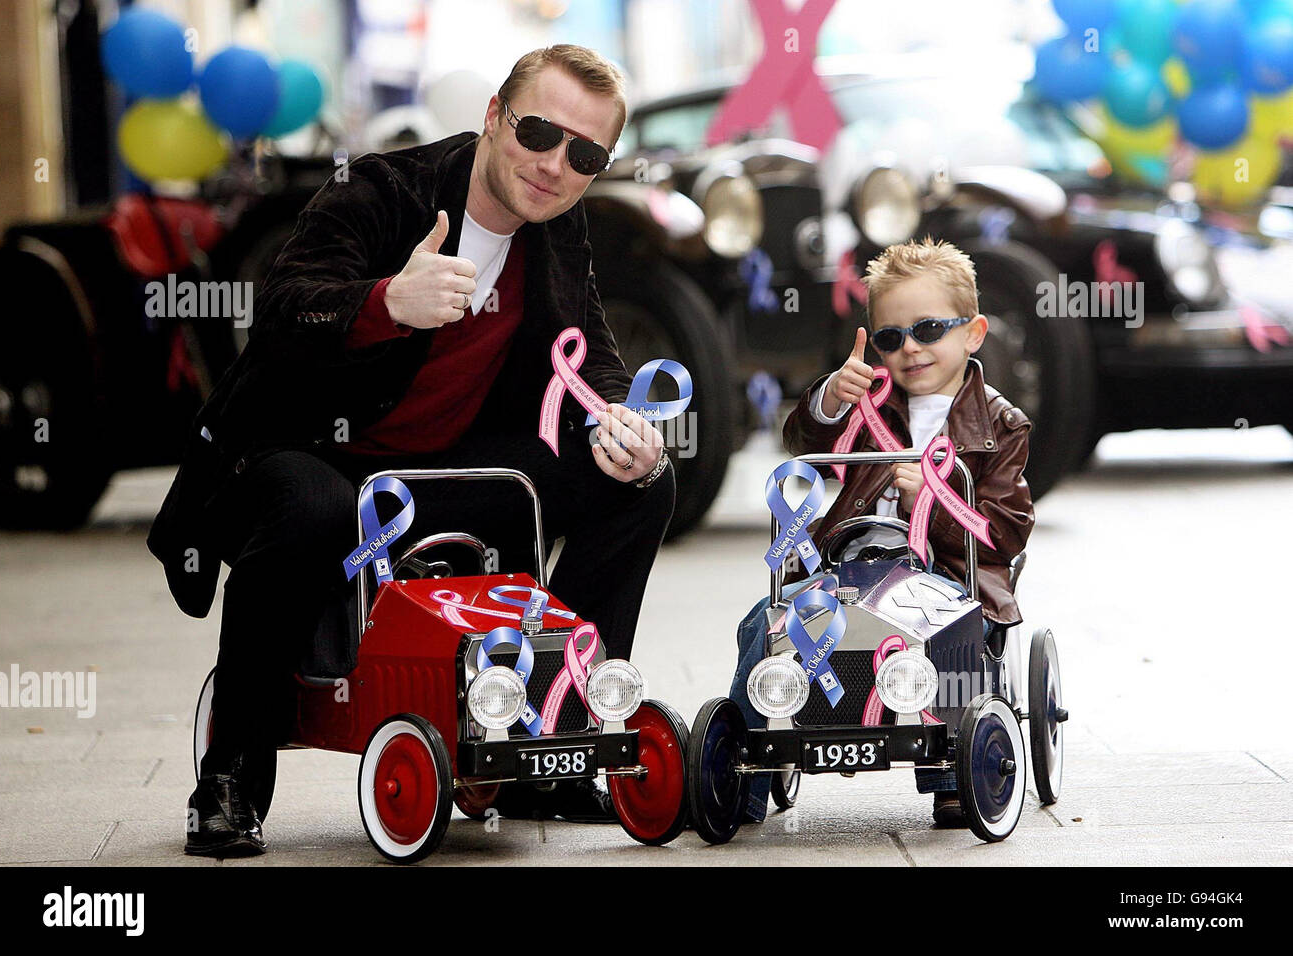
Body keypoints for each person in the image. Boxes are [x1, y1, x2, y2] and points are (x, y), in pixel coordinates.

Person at [149, 45, 676, 857]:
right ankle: (228, 779)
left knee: (639, 482)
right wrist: (386, 300)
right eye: (538, 132)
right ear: (495, 116)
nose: (553, 164)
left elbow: (587, 344)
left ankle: (557, 735)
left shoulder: (556, 220)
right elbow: (284, 309)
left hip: (439, 468)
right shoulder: (378, 187)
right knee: (314, 510)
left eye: (585, 153)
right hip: (308, 449)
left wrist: (618, 420)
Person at [729, 238, 1034, 826]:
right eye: (892, 338)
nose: (910, 349)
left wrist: (936, 498)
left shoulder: (1000, 423)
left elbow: (1008, 530)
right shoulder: (867, 399)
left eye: (928, 330)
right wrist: (826, 401)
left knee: (951, 628)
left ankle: (949, 770)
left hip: (948, 572)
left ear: (973, 333)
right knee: (762, 624)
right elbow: (804, 445)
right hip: (850, 563)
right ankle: (745, 767)